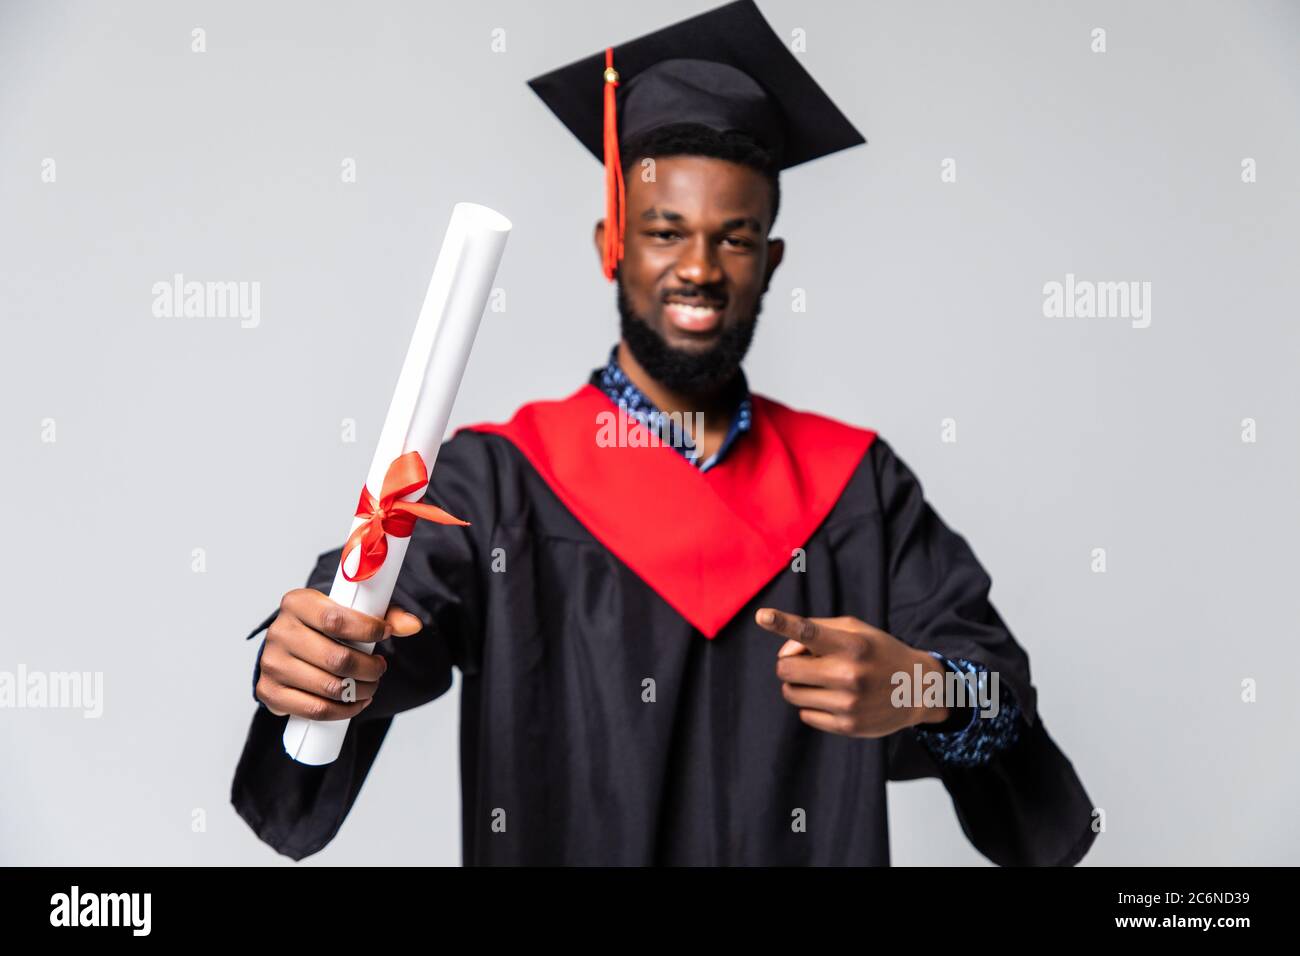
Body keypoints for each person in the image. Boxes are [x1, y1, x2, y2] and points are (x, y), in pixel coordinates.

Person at [231, 0, 1096, 865]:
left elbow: (997, 701)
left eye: (736, 238)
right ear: (614, 243)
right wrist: (316, 661)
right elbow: (374, 625)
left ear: (771, 262)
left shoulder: (859, 487)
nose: (697, 268)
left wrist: (921, 688)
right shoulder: (497, 484)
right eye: (665, 231)